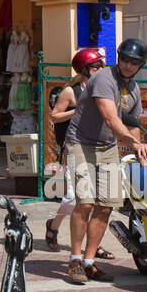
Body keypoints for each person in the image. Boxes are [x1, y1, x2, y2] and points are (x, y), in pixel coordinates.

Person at [63, 38, 147, 284]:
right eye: (124, 58)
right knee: (85, 201)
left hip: (107, 147)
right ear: (118, 58)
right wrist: (133, 143)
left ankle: (90, 262)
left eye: (133, 62)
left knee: (105, 206)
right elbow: (110, 118)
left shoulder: (134, 90)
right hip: (80, 143)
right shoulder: (103, 78)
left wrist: (141, 154)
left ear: (141, 65)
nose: (127, 64)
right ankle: (74, 259)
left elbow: (133, 125)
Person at [43, 48, 109, 255]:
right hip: (75, 147)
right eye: (95, 67)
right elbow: (55, 116)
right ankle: (53, 225)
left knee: (98, 201)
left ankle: (92, 245)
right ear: (84, 69)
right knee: (73, 198)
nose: (99, 70)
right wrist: (78, 108)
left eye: (101, 66)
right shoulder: (71, 92)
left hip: (100, 147)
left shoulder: (105, 88)